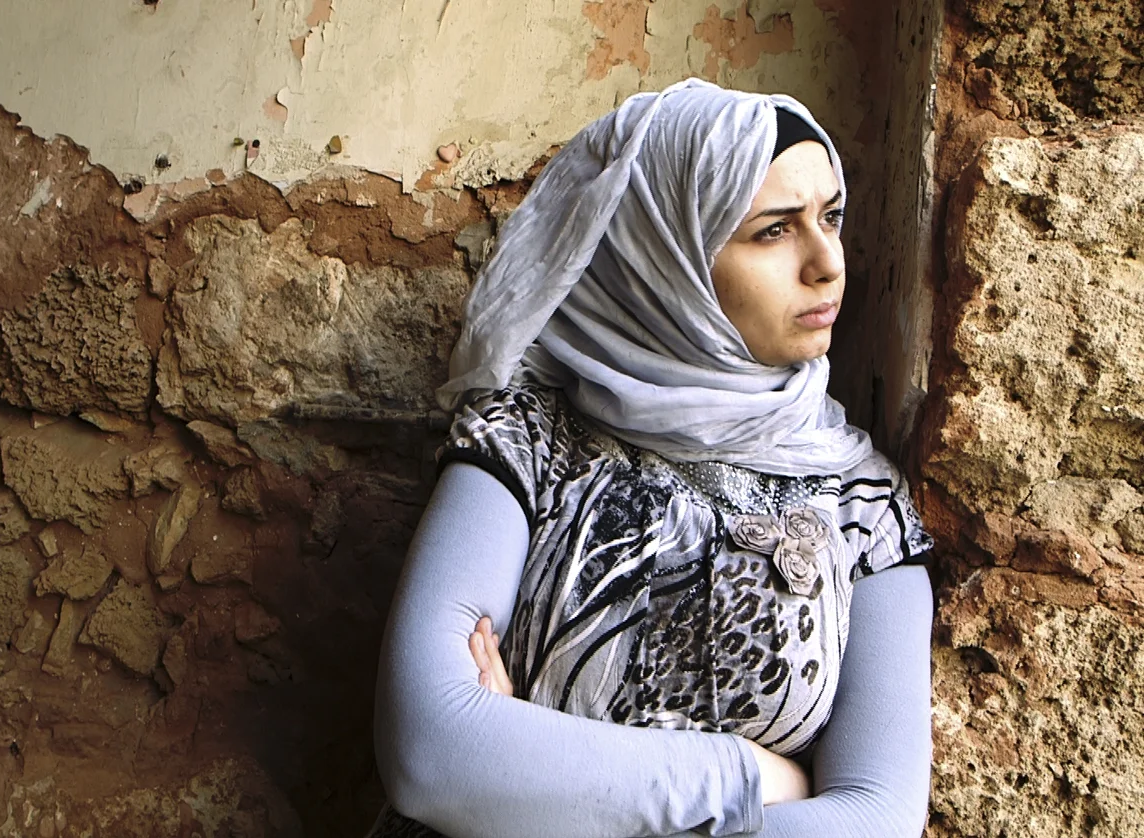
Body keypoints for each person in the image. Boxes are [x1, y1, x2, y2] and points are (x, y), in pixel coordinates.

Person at [367, 79, 935, 838]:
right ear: (665, 253)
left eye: (830, 217)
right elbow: (432, 751)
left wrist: (530, 787)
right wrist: (754, 777)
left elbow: (877, 820)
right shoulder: (527, 439)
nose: (827, 262)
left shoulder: (865, 505)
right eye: (773, 231)